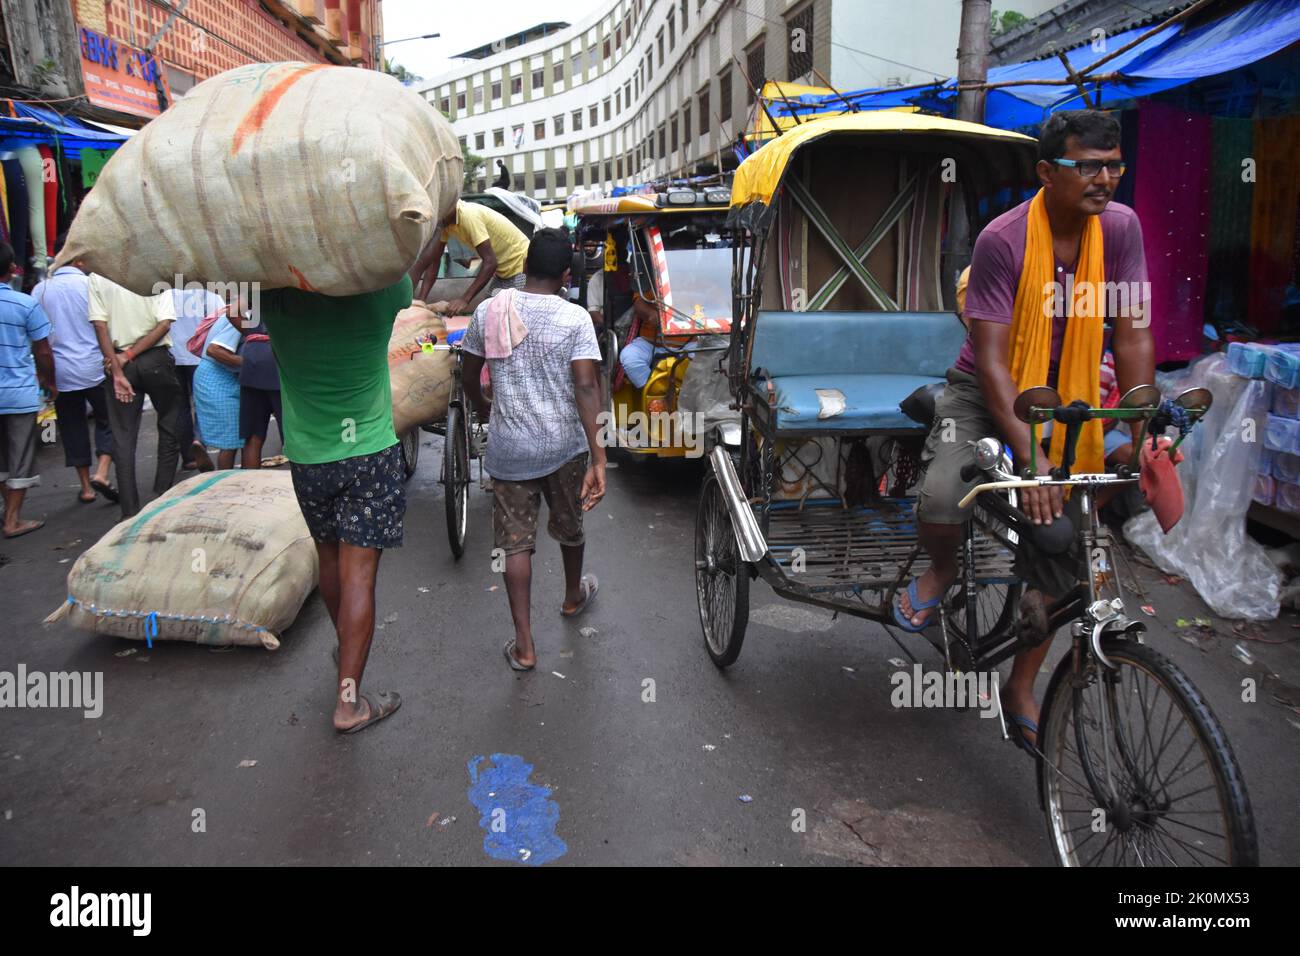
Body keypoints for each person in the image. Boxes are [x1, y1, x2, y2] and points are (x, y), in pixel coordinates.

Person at [899, 110, 1152, 753]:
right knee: (941, 495)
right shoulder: (1003, 239)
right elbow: (990, 361)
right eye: (1087, 166)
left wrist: (1141, 418)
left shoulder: (1120, 230)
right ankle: (940, 570)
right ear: (1046, 172)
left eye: (1114, 165)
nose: (1105, 179)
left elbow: (1132, 333)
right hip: (986, 391)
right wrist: (1032, 458)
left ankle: (1020, 685)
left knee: (1062, 536)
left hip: (1067, 392)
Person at [261, 276, 413, 734]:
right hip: (369, 452)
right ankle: (348, 705)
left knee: (329, 558)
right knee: (359, 574)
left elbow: (239, 297)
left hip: (309, 457)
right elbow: (406, 262)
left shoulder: (274, 296)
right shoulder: (382, 286)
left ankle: (346, 645)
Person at [460, 228, 607, 672]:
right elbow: (586, 385)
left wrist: (484, 405)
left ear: (524, 267)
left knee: (514, 544)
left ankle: (524, 646)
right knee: (570, 525)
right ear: (566, 274)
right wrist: (599, 458)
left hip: (510, 450)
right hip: (564, 447)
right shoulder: (575, 318)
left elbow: (469, 372)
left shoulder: (489, 311)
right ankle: (570, 596)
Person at [88, 273, 180, 519]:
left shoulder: (98, 276)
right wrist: (126, 358)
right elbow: (164, 324)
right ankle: (162, 498)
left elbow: (100, 325)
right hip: (155, 359)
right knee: (169, 424)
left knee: (123, 437)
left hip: (119, 361)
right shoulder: (153, 270)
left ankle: (129, 512)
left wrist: (118, 368)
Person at [32, 238, 116, 505]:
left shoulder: (40, 290)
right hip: (96, 366)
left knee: (72, 426)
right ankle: (102, 471)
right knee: (110, 419)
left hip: (61, 371)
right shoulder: (93, 285)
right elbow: (106, 327)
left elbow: (39, 340)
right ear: (78, 260)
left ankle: (85, 487)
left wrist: (44, 375)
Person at [0, 241, 55, 538]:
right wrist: (50, 382)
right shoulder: (25, 304)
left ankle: (8, 508)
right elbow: (44, 351)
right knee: (20, 457)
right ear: (11, 269)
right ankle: (12, 520)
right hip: (18, 392)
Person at [409, 200, 531, 310]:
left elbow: (490, 262)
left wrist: (464, 299)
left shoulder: (468, 215)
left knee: (513, 313)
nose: (437, 218)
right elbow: (434, 262)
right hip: (502, 272)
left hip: (521, 265)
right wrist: (421, 302)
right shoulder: (446, 224)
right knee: (489, 312)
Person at [170, 285, 225, 471]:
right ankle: (199, 440)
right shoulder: (202, 289)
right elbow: (219, 316)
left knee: (180, 407)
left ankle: (188, 457)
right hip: (199, 354)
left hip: (172, 355)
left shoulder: (165, 291)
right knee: (202, 401)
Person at [190, 308, 244, 471]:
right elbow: (214, 350)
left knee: (235, 436)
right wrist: (250, 363)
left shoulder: (242, 312)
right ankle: (224, 483)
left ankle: (199, 443)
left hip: (216, 376)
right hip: (217, 377)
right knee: (231, 441)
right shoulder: (241, 317)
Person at [235, 313, 283, 469]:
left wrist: (252, 334)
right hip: (280, 359)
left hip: (253, 361)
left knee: (253, 436)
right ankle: (295, 490)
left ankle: (250, 490)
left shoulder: (256, 290)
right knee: (291, 435)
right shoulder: (293, 290)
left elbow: (232, 311)